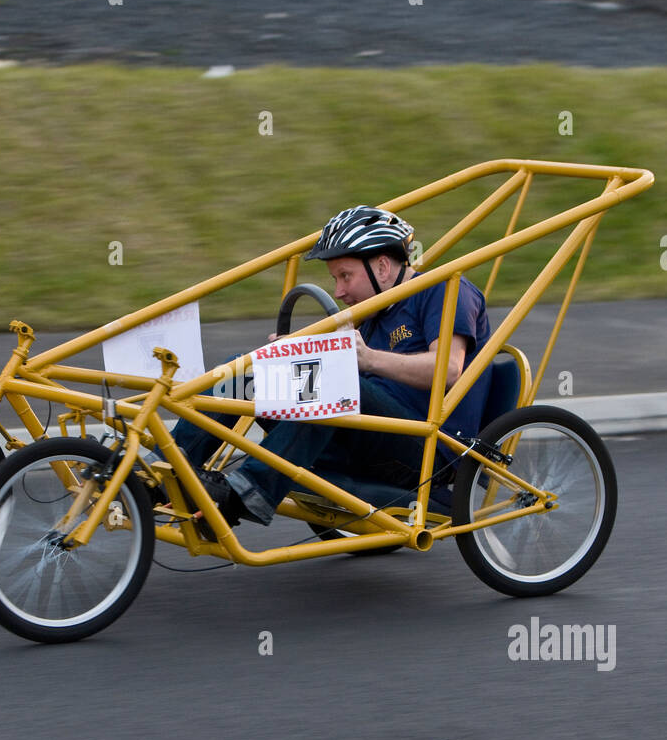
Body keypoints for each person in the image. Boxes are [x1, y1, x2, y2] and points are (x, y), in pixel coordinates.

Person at [165, 205, 493, 528]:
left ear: (381, 268)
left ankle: (248, 492)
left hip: (425, 453)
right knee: (247, 372)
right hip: (365, 436)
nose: (339, 291)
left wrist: (367, 358)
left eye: (345, 276)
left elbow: (449, 369)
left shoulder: (443, 290)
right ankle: (168, 466)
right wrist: (288, 356)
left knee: (333, 383)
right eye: (335, 278)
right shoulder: (371, 312)